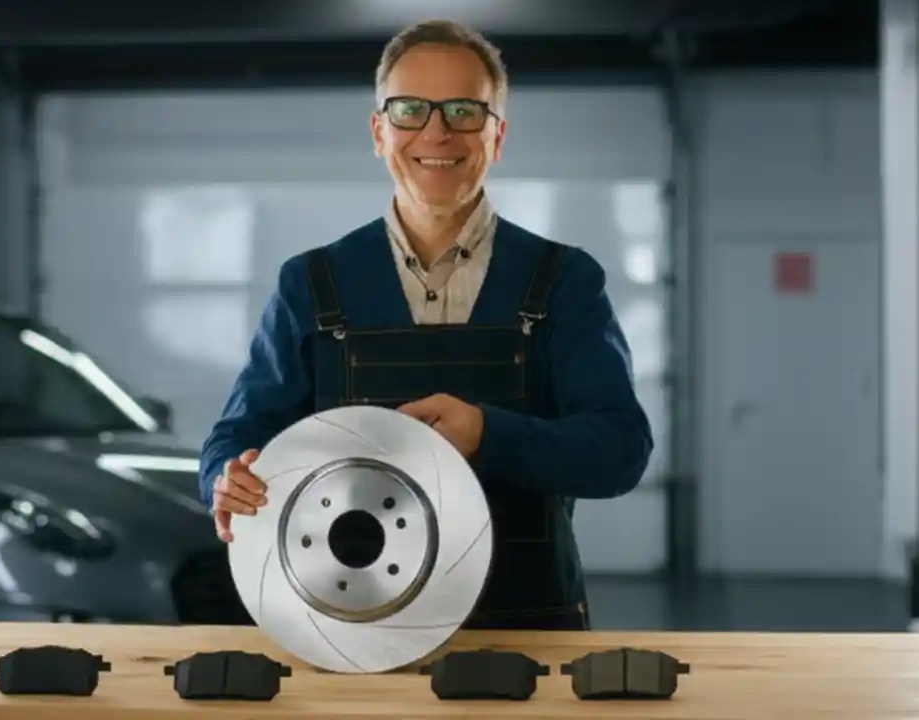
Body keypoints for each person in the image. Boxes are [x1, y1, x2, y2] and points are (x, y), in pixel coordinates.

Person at [198, 19, 653, 631]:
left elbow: (621, 453)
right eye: (410, 109)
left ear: (498, 135)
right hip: (352, 631)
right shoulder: (310, 285)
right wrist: (224, 480)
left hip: (528, 632)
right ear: (379, 132)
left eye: (464, 110)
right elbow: (236, 439)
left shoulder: (563, 281)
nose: (436, 131)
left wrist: (489, 434)